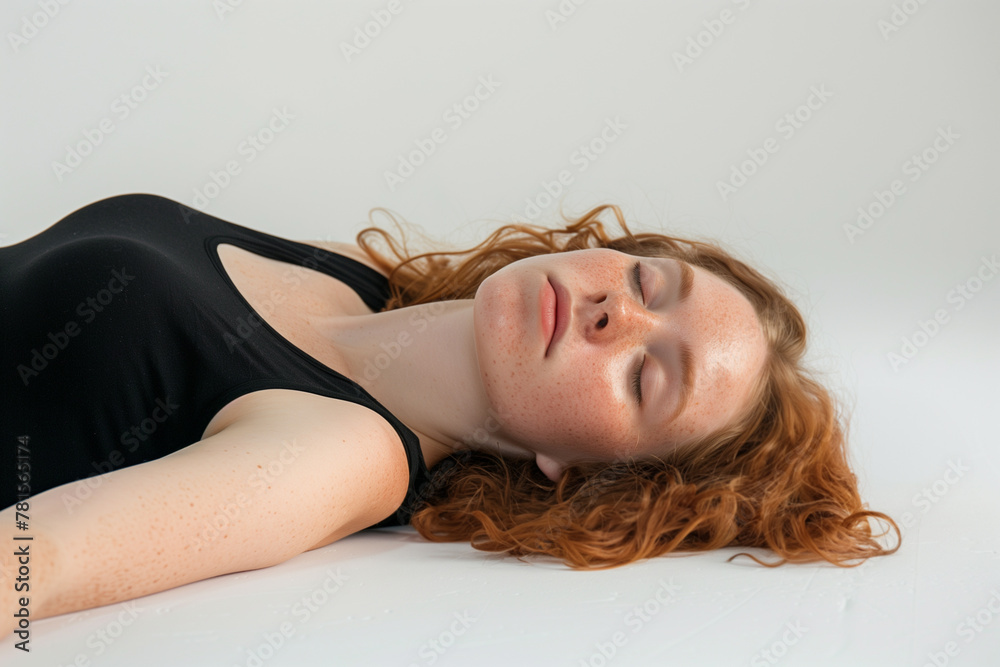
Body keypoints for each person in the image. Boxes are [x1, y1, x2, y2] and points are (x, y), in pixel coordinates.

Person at [1, 193, 899, 635]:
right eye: (644, 280)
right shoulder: (354, 283)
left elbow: (38, 563)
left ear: (577, 470)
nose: (615, 314)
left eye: (645, 378)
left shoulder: (343, 451)